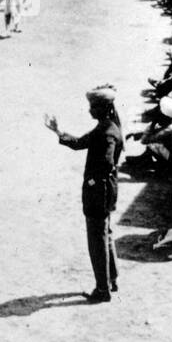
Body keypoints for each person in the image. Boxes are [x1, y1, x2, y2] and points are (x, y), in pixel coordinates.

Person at [44, 85, 124, 303]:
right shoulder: (109, 127)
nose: (89, 110)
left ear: (102, 108)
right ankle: (111, 279)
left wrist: (91, 181)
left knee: (96, 239)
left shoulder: (106, 132)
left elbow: (106, 163)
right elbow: (80, 143)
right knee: (105, 234)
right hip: (107, 190)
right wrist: (58, 132)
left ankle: (102, 289)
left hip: (98, 192)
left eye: (92, 107)